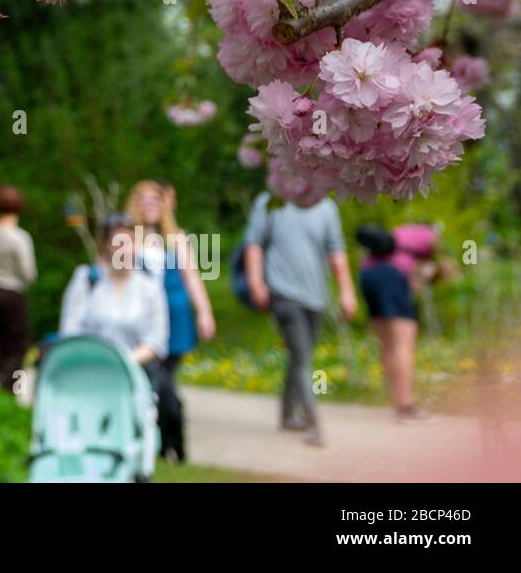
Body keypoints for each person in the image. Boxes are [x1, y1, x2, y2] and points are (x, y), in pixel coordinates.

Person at [244, 190, 357, 448]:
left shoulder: (327, 207)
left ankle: (287, 414)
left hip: (316, 295)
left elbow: (336, 251)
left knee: (300, 356)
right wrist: (255, 282)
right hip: (282, 292)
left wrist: (347, 292)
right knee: (302, 355)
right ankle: (313, 423)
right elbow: (254, 244)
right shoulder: (270, 201)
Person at [128, 180, 216, 463]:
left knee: (163, 380)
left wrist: (204, 311)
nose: (149, 204)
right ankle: (168, 439)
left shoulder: (176, 238)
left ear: (163, 204)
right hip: (143, 321)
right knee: (156, 381)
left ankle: (172, 440)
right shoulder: (128, 239)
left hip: (174, 318)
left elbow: (192, 277)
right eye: (143, 199)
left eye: (154, 199)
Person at [59, 214, 176, 417]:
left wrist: (123, 362)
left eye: (129, 241)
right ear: (105, 245)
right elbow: (70, 331)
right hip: (89, 375)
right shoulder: (87, 280)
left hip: (134, 378)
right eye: (117, 242)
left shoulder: (150, 288)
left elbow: (157, 340)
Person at [358, 223, 443, 421]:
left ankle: (398, 402)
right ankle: (406, 406)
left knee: (387, 345)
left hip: (367, 276)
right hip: (391, 277)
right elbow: (429, 269)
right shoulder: (430, 235)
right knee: (403, 344)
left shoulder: (400, 231)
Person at [0, 185, 37, 393]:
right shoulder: (20, 237)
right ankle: (13, 387)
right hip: (13, 292)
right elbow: (28, 272)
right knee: (18, 345)